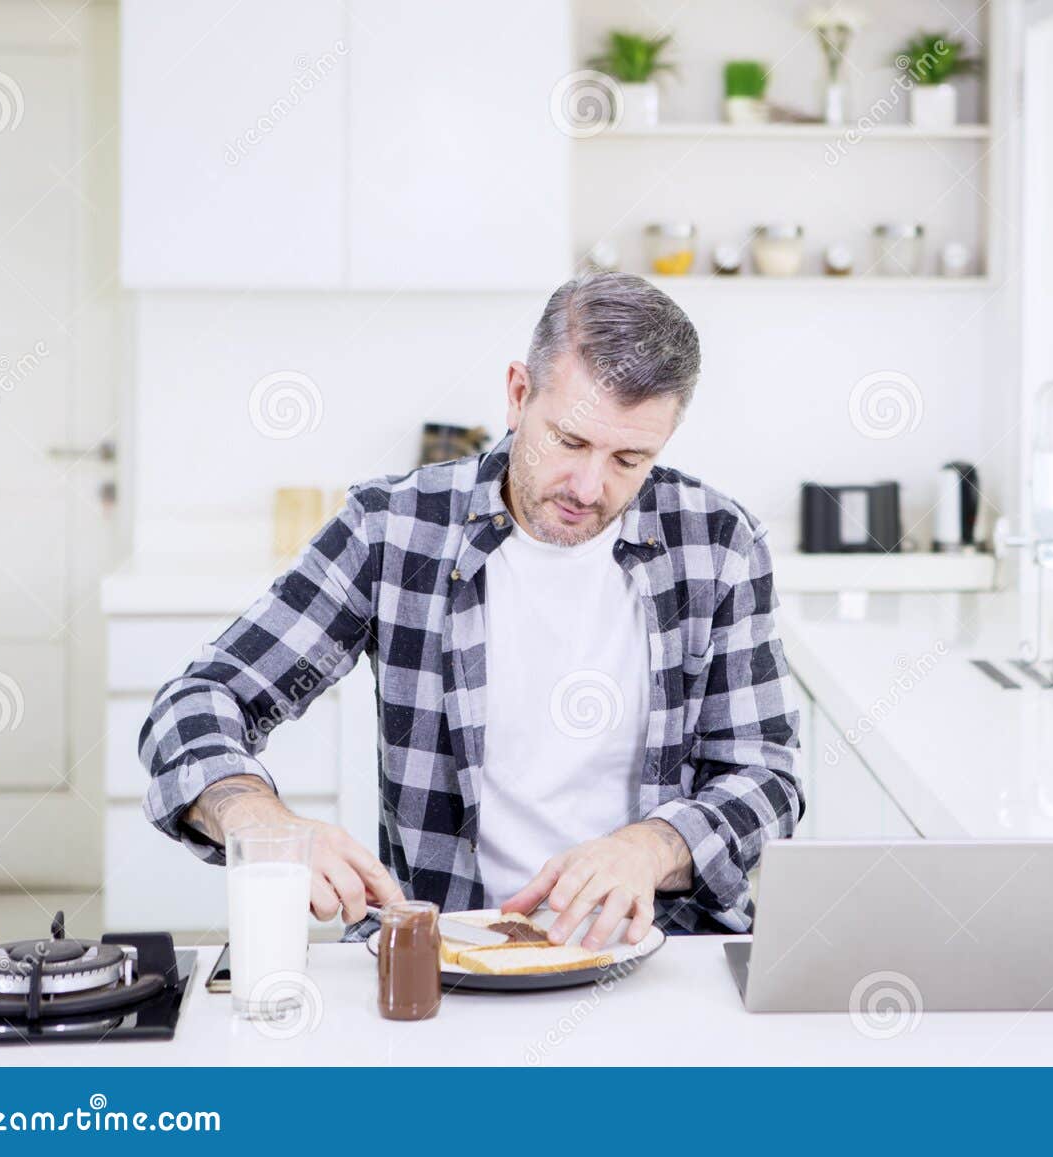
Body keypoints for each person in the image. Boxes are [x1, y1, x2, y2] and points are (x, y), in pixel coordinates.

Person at [139, 272, 802, 949]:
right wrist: (260, 821)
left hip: (659, 953)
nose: (588, 486)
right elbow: (199, 701)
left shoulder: (718, 544)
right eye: (569, 441)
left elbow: (766, 778)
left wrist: (654, 846)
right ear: (519, 394)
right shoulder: (395, 529)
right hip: (446, 956)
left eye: (630, 459)